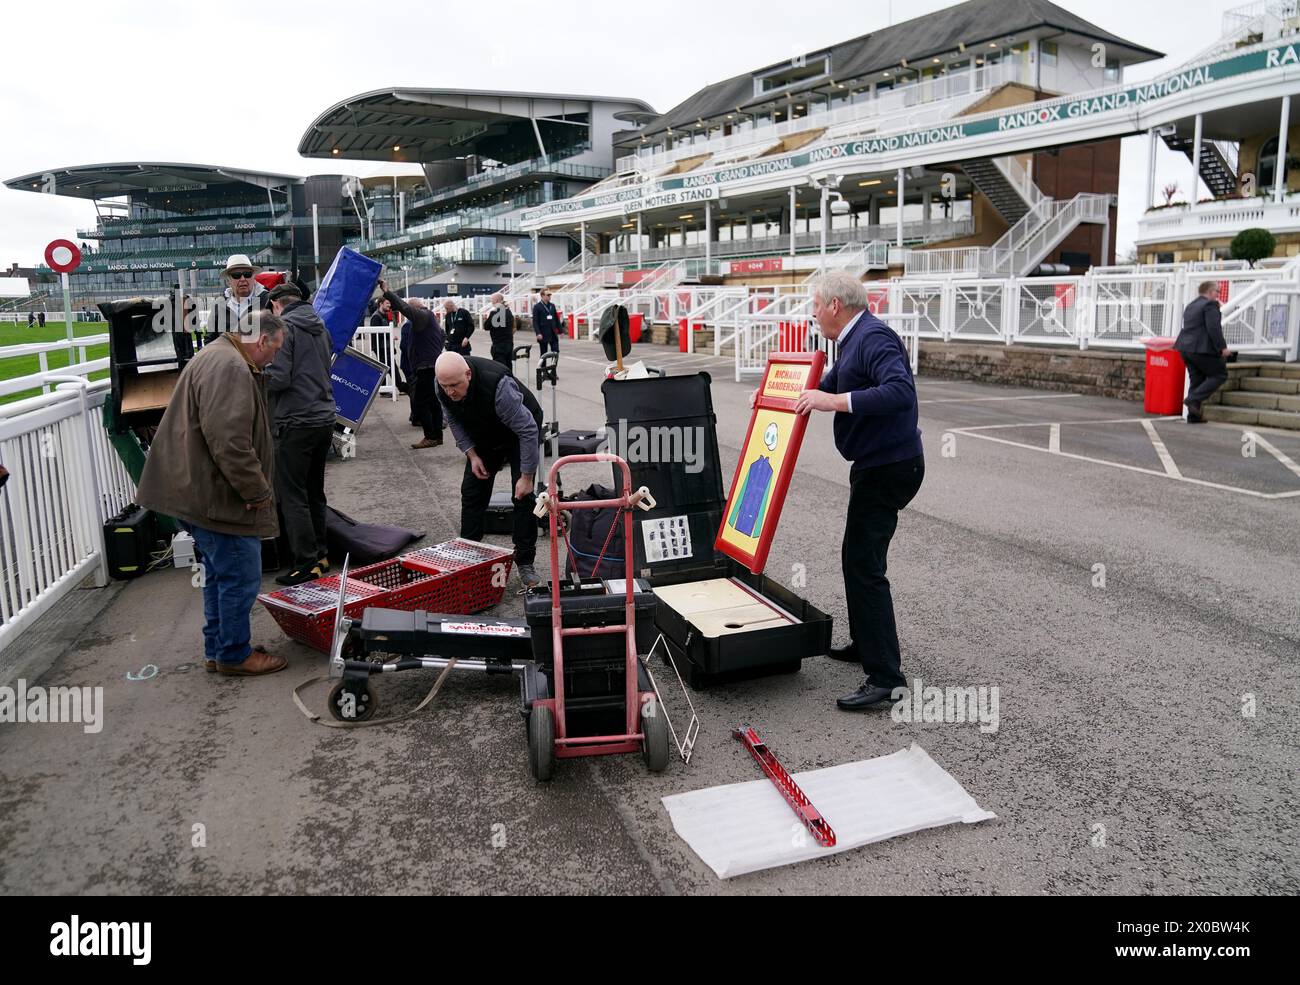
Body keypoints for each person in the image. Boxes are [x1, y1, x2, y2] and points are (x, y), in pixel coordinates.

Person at [788, 272, 924, 712]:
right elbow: (829, 385)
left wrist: (835, 403)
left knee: (864, 564)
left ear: (834, 306)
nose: (812, 312)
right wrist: (776, 395)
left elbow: (899, 391)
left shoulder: (873, 337)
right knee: (857, 557)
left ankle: (886, 678)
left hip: (891, 466)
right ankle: (868, 646)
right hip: (877, 464)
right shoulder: (853, 339)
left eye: (815, 304)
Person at [134, 311, 287, 677]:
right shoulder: (231, 367)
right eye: (276, 350)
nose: (275, 359)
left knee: (219, 576)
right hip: (216, 498)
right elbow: (230, 443)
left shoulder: (219, 354)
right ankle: (234, 654)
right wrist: (258, 491)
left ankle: (219, 648)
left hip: (196, 491)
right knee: (240, 575)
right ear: (262, 340)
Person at [435, 351, 543, 588]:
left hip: (519, 432)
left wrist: (526, 477)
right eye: (445, 387)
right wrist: (472, 455)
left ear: (469, 375)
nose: (450, 392)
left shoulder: (498, 387)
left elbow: (527, 430)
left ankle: (525, 561)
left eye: (455, 385)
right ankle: (469, 556)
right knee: (472, 493)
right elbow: (453, 421)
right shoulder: (441, 385)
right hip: (484, 430)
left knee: (523, 496)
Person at [266, 283, 336, 585]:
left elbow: (279, 378)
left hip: (295, 421)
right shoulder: (320, 324)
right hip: (323, 418)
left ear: (275, 305)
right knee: (314, 491)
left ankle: (305, 563)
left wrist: (252, 376)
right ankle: (320, 556)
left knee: (293, 496)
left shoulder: (283, 327)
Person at [381, 281, 444, 448]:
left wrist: (387, 292)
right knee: (433, 402)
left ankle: (430, 436)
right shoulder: (432, 320)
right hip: (432, 366)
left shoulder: (422, 315)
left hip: (426, 367)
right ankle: (437, 436)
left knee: (420, 402)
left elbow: (405, 308)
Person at [1175, 281, 1232, 424]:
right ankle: (1193, 400)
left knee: (1197, 380)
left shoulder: (1191, 306)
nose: (1218, 295)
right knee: (1220, 374)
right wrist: (1222, 348)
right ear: (1210, 292)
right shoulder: (1210, 305)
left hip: (1185, 349)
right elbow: (1213, 328)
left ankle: (1193, 416)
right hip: (1201, 349)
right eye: (1217, 292)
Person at [207, 254, 270, 337]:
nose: (243, 279)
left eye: (247, 274)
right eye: (236, 275)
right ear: (228, 281)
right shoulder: (219, 305)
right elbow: (210, 339)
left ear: (253, 277)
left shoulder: (268, 301)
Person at [484, 293, 516, 367]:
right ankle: (509, 378)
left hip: (498, 344)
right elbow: (512, 326)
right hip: (509, 342)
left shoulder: (494, 312)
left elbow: (486, 327)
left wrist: (487, 319)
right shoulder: (508, 312)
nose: (492, 302)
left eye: (492, 300)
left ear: (497, 300)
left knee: (499, 366)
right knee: (508, 364)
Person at [532, 289, 561, 357]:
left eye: (550, 295)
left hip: (553, 333)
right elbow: (535, 321)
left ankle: (553, 367)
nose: (549, 296)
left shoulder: (552, 305)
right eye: (548, 295)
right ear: (542, 296)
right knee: (544, 353)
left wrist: (561, 330)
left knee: (555, 352)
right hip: (543, 333)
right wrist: (538, 333)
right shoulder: (537, 307)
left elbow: (556, 319)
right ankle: (542, 367)